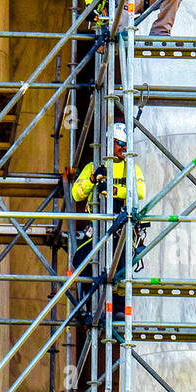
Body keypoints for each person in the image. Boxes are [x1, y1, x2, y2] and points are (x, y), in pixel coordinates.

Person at [70, 122, 146, 317]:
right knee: (81, 260)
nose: (124, 148)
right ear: (110, 143)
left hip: (120, 227)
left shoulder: (132, 168)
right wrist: (93, 180)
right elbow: (76, 194)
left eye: (126, 145)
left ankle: (118, 309)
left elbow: (140, 192)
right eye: (120, 143)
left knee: (117, 268)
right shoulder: (93, 167)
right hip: (97, 227)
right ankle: (90, 304)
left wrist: (115, 191)